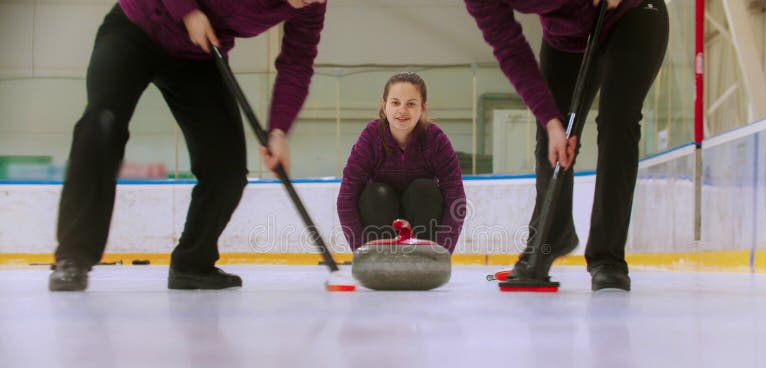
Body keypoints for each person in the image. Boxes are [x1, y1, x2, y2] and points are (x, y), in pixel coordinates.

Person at [49, 0, 327, 291]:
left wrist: (279, 130)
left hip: (198, 55)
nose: (312, 1)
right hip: (138, 27)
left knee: (227, 170)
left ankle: (193, 263)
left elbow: (297, 62)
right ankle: (73, 257)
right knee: (101, 125)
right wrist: (188, 11)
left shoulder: (312, 6)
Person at [465, 0, 669, 290]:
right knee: (550, 136)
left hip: (632, 15)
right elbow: (509, 48)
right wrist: (551, 122)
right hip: (566, 38)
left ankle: (607, 258)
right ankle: (551, 235)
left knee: (617, 122)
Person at [337, 72, 467, 254]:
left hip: (420, 216)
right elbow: (346, 199)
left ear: (423, 107)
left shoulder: (436, 140)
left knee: (424, 189)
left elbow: (456, 199)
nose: (402, 110)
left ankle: (423, 258)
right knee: (376, 193)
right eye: (395, 102)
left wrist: (442, 252)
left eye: (411, 104)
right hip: (381, 215)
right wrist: (361, 252)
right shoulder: (370, 138)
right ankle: (381, 259)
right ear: (384, 106)